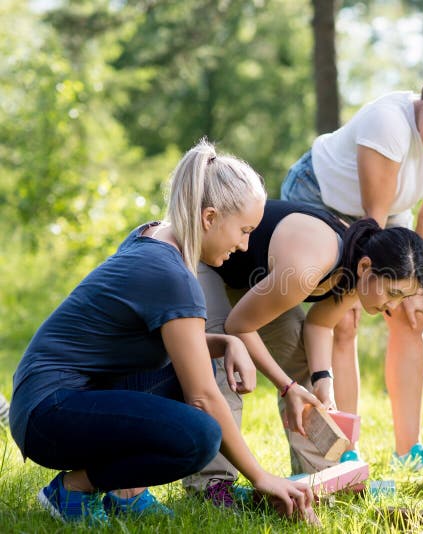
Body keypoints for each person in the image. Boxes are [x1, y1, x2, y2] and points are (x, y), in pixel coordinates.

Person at [8, 140, 315, 525]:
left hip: (51, 399)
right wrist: (262, 477)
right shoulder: (169, 273)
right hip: (48, 413)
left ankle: (126, 491)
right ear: (209, 217)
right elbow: (203, 397)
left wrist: (227, 341)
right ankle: (73, 489)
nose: (245, 245)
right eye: (244, 230)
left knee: (195, 366)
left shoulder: (155, 237)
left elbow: (174, 344)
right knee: (199, 436)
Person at [280, 54, 423, 471]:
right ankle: (345, 451)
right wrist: (365, 293)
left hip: (388, 212)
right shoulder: (389, 123)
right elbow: (371, 229)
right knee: (343, 318)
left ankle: (408, 451)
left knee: (412, 315)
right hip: (320, 198)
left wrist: (417, 287)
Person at [183, 199, 423, 496]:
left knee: (302, 365)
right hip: (208, 261)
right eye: (392, 293)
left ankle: (319, 477)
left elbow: (319, 325)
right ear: (367, 267)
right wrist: (286, 387)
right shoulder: (311, 267)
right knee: (227, 362)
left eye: (401, 298)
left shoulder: (360, 266)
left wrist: (322, 380)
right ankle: (212, 486)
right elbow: (238, 327)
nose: (392, 307)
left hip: (257, 280)